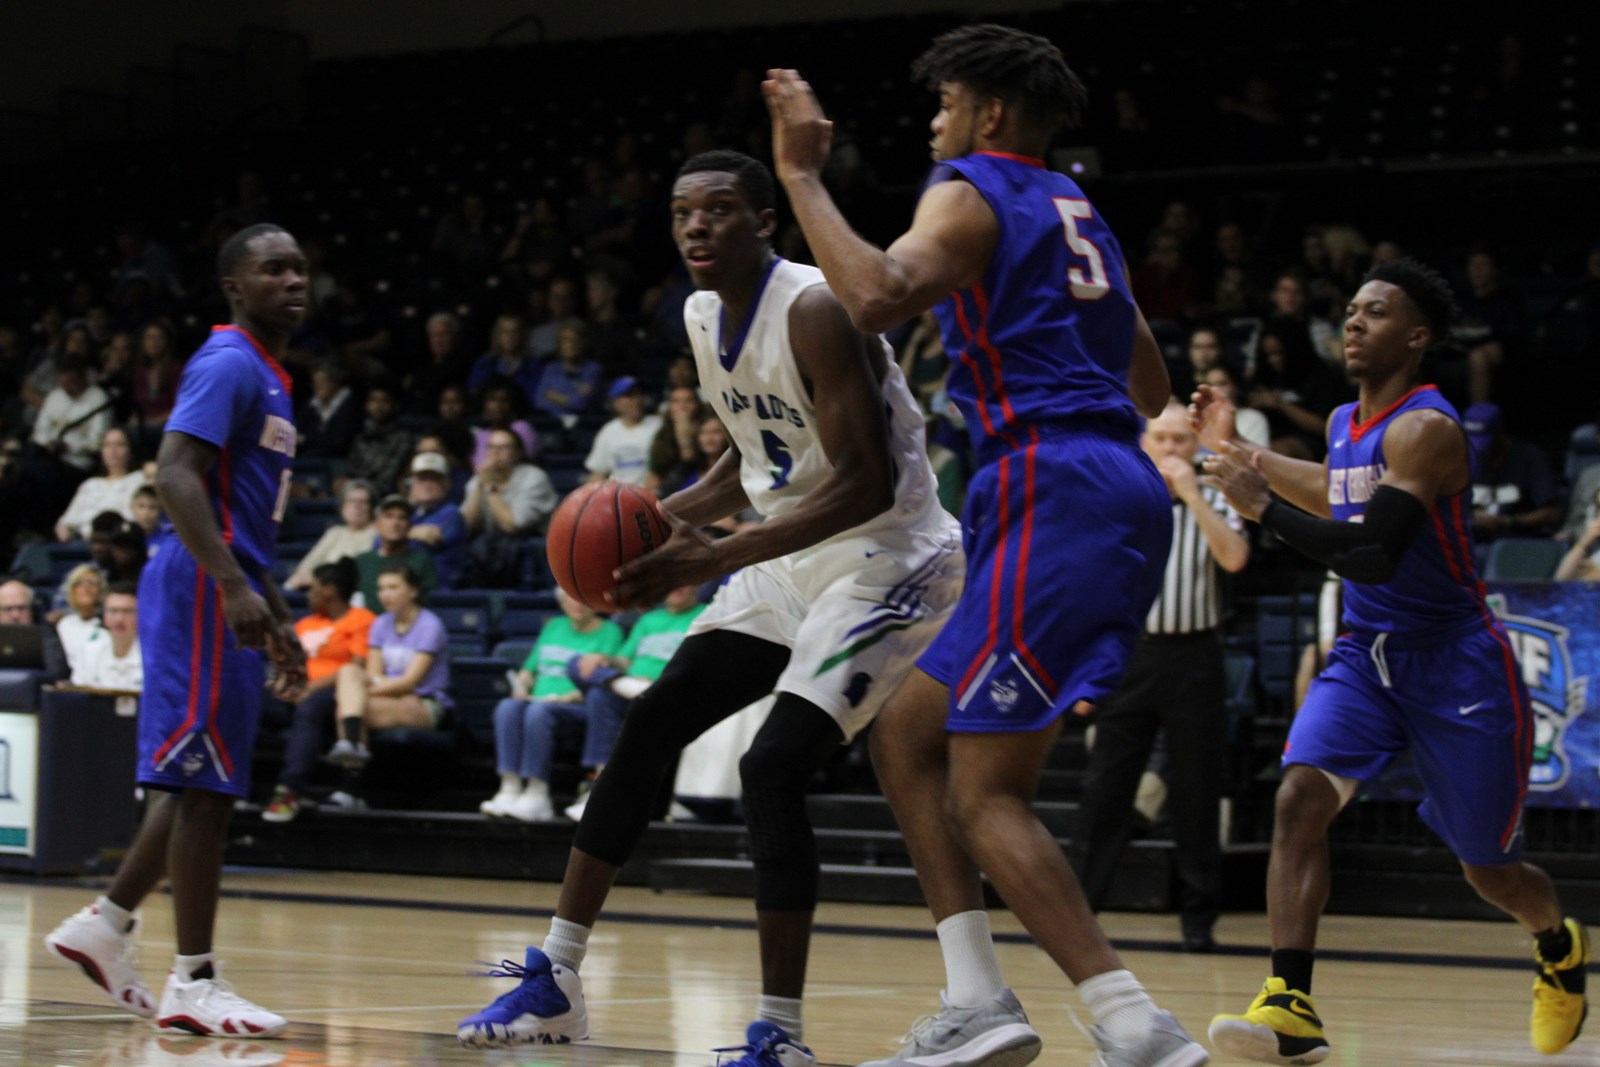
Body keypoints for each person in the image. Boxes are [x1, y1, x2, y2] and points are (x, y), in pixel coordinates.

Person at [457, 150, 963, 1064]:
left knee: (770, 766)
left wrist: (715, 551)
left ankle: (781, 1034)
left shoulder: (814, 306)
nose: (696, 226)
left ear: (765, 221)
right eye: (684, 210)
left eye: (721, 209)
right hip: (788, 551)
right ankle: (558, 977)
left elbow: (862, 482)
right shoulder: (700, 313)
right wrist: (652, 527)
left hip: (891, 555)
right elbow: (749, 459)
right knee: (649, 724)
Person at [764, 25, 1205, 1067]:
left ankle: (1130, 1020)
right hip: (1085, 484)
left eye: (945, 102)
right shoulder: (1074, 204)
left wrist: (799, 176)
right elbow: (1135, 345)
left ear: (989, 115)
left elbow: (871, 296)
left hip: (1052, 485)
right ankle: (978, 997)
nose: (933, 123)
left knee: (985, 788)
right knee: (906, 734)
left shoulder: (969, 187)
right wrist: (1166, 424)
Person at [1196, 258, 1589, 1062]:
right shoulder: (1346, 422)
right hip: (1365, 657)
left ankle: (1558, 942)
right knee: (1298, 797)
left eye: (1373, 313)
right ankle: (1290, 1002)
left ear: (1416, 337)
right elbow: (1336, 487)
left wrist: (1259, 503)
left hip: (1456, 666)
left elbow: (1372, 549)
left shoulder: (1427, 428)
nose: (1352, 322)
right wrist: (1244, 453)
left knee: (1490, 870)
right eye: (1348, 310)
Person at [43, 222, 309, 1038]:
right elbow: (174, 473)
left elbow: (239, 507)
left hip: (226, 577)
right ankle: (192, 978)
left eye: (301, 268)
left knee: (201, 779)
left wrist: (275, 613)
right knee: (203, 787)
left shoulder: (271, 373)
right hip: (200, 581)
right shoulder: (228, 361)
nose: (295, 280)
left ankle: (108, 923)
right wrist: (230, 585)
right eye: (274, 269)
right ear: (234, 285)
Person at [1070, 400, 1250, 953]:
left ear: (1195, 447)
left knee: (1196, 791)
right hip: (1130, 656)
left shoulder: (1216, 497)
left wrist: (1192, 495)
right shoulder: (1118, 499)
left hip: (1195, 658)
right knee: (1106, 790)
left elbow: (1236, 557)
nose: (1171, 449)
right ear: (1143, 442)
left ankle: (1198, 920)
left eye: (1180, 440)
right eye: (1162, 439)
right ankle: (1078, 915)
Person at [562, 581, 708, 821]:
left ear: (698, 585)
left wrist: (655, 679)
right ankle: (600, 793)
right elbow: (625, 660)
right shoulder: (648, 620)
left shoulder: (705, 616)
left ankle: (600, 792)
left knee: (602, 695)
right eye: (673, 583)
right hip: (631, 690)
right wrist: (604, 658)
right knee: (579, 666)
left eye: (685, 582)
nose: (677, 587)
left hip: (669, 691)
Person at [480, 588, 625, 821]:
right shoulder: (553, 626)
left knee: (538, 712)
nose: (577, 605)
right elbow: (530, 669)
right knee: (507, 707)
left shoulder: (610, 631)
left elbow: (603, 678)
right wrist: (521, 685)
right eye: (571, 598)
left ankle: (537, 793)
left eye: (583, 599)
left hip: (578, 705)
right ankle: (509, 787)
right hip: (538, 699)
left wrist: (570, 696)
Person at [322, 562, 452, 798]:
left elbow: (409, 682)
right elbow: (371, 674)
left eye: (393, 587)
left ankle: (350, 785)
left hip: (424, 703)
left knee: (348, 706)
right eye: (382, 588)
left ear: (412, 591)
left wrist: (356, 695)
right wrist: (359, 692)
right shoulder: (381, 624)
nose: (385, 594)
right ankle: (352, 746)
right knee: (349, 672)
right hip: (389, 697)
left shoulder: (430, 625)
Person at [263, 558, 375, 822]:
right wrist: (285, 685)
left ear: (331, 590)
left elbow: (356, 667)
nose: (308, 595)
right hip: (295, 691)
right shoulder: (306, 624)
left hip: (333, 694)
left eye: (313, 588)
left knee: (310, 708)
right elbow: (285, 663)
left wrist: (310, 688)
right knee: (253, 701)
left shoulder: (361, 619)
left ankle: (290, 790)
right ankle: (236, 788)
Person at [1465, 401, 1560, 542]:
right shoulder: (1463, 459)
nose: (1481, 451)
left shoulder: (1529, 458)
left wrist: (1507, 521)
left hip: (1518, 543)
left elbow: (1552, 514)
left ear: (1500, 433)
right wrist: (1473, 515)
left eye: (1485, 443)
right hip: (1472, 541)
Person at [55, 426, 148, 542]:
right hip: (83, 545)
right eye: (107, 445)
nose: (113, 450)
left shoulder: (140, 479)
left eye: (119, 445)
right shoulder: (90, 485)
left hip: (122, 543)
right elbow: (65, 522)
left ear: (130, 450)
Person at [283, 480, 377, 591]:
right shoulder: (334, 532)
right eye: (351, 501)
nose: (357, 506)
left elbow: (356, 572)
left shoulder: (376, 534)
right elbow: (308, 564)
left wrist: (316, 579)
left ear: (371, 507)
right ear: (342, 506)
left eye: (363, 502)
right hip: (321, 588)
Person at [353, 494, 438, 609]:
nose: (395, 523)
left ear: (409, 526)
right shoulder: (362, 561)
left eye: (402, 518)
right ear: (377, 524)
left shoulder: (422, 560)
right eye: (389, 516)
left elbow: (426, 604)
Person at [583, 377, 661, 486]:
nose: (636, 400)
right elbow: (598, 473)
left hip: (654, 495)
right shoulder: (608, 431)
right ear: (616, 402)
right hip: (620, 497)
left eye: (638, 394)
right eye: (629, 396)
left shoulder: (658, 425)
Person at [406, 452, 466, 589]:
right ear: (412, 484)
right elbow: (379, 540)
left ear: (447, 484)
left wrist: (399, 533)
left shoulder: (451, 513)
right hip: (407, 588)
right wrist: (411, 532)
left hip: (438, 591)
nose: (427, 485)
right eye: (422, 479)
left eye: (434, 479)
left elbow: (433, 537)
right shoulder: (408, 512)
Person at [69, 580, 142, 691]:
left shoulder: (152, 657)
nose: (119, 619)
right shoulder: (87, 653)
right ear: (104, 616)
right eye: (113, 611)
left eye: (127, 611)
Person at [0, 576, 68, 678]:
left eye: (21, 608)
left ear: (33, 610)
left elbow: (57, 673)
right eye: (8, 609)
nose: (15, 615)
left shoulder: (46, 634)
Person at [55, 563, 105, 669]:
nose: (86, 588)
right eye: (79, 583)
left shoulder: (108, 624)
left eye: (92, 582)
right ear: (72, 590)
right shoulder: (63, 624)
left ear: (101, 590)